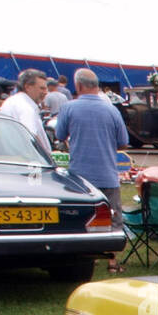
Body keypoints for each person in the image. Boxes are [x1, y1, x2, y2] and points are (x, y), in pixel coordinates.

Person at [54, 68, 129, 273]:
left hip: (80, 175)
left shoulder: (69, 108)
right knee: (113, 216)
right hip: (107, 173)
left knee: (83, 216)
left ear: (78, 86)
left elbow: (60, 135)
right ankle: (112, 261)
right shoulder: (112, 110)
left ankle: (86, 256)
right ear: (96, 85)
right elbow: (123, 142)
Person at [0, 69, 51, 153]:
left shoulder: (12, 101)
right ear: (27, 87)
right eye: (42, 88)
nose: (46, 92)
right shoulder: (26, 108)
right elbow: (31, 137)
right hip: (25, 159)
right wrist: (45, 155)